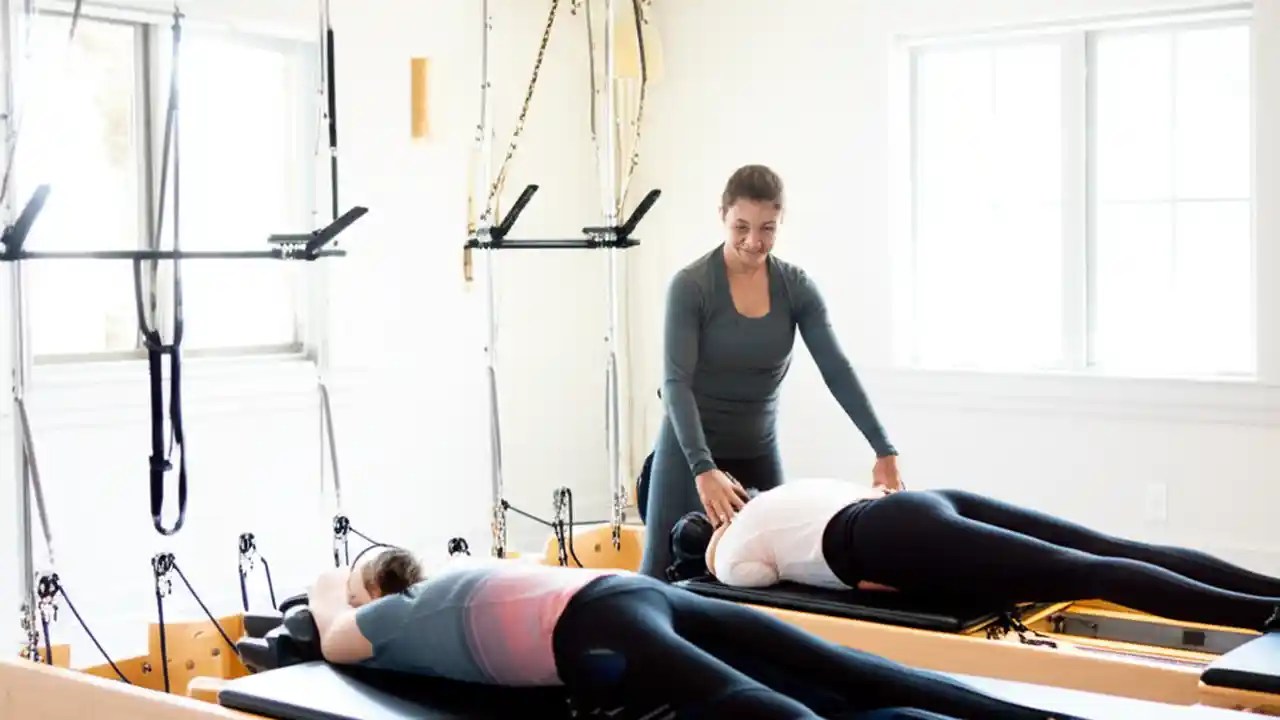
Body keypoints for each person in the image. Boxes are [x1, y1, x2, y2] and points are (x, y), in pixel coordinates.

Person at [308, 549, 1079, 720]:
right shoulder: (470, 569)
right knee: (842, 671)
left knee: (747, 703)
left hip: (595, 630)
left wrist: (329, 581)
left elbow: (333, 629)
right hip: (631, 593)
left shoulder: (394, 613)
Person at [641, 163, 899, 579]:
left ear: (781, 224)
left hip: (757, 450)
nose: (753, 241)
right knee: (668, 578)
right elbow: (676, 383)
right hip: (688, 456)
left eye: (767, 228)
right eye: (741, 226)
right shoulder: (690, 286)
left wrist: (884, 449)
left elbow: (837, 371)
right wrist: (703, 470)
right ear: (722, 215)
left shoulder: (795, 287)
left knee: (779, 577)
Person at [670, 478, 1280, 634]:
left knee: (1084, 574)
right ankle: (1270, 590)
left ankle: (1261, 617)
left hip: (893, 543)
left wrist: (714, 554)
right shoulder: (779, 494)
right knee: (1110, 547)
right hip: (923, 505)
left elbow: (752, 587)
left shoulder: (728, 556)